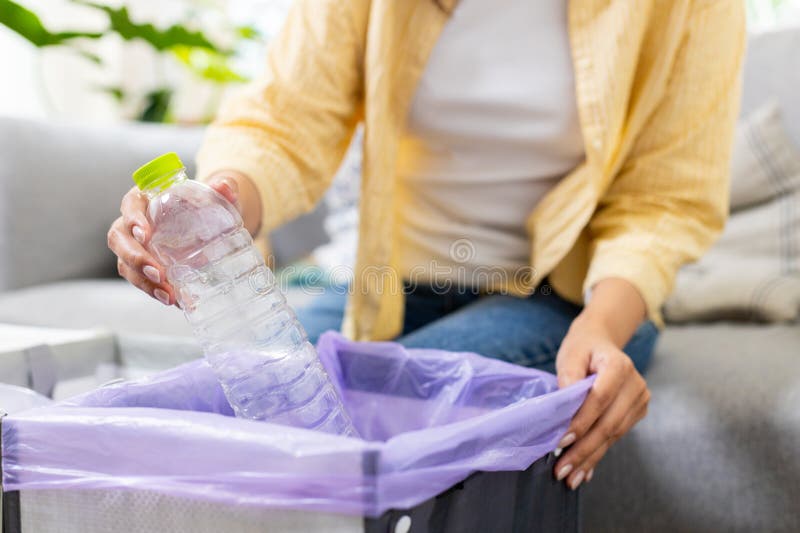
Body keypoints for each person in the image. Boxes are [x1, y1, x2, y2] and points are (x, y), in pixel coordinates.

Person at [108, 0, 745, 492]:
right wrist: (218, 205)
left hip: (567, 298)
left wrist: (604, 325)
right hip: (390, 286)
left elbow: (663, 202)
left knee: (363, 419)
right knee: (223, 407)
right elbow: (285, 118)